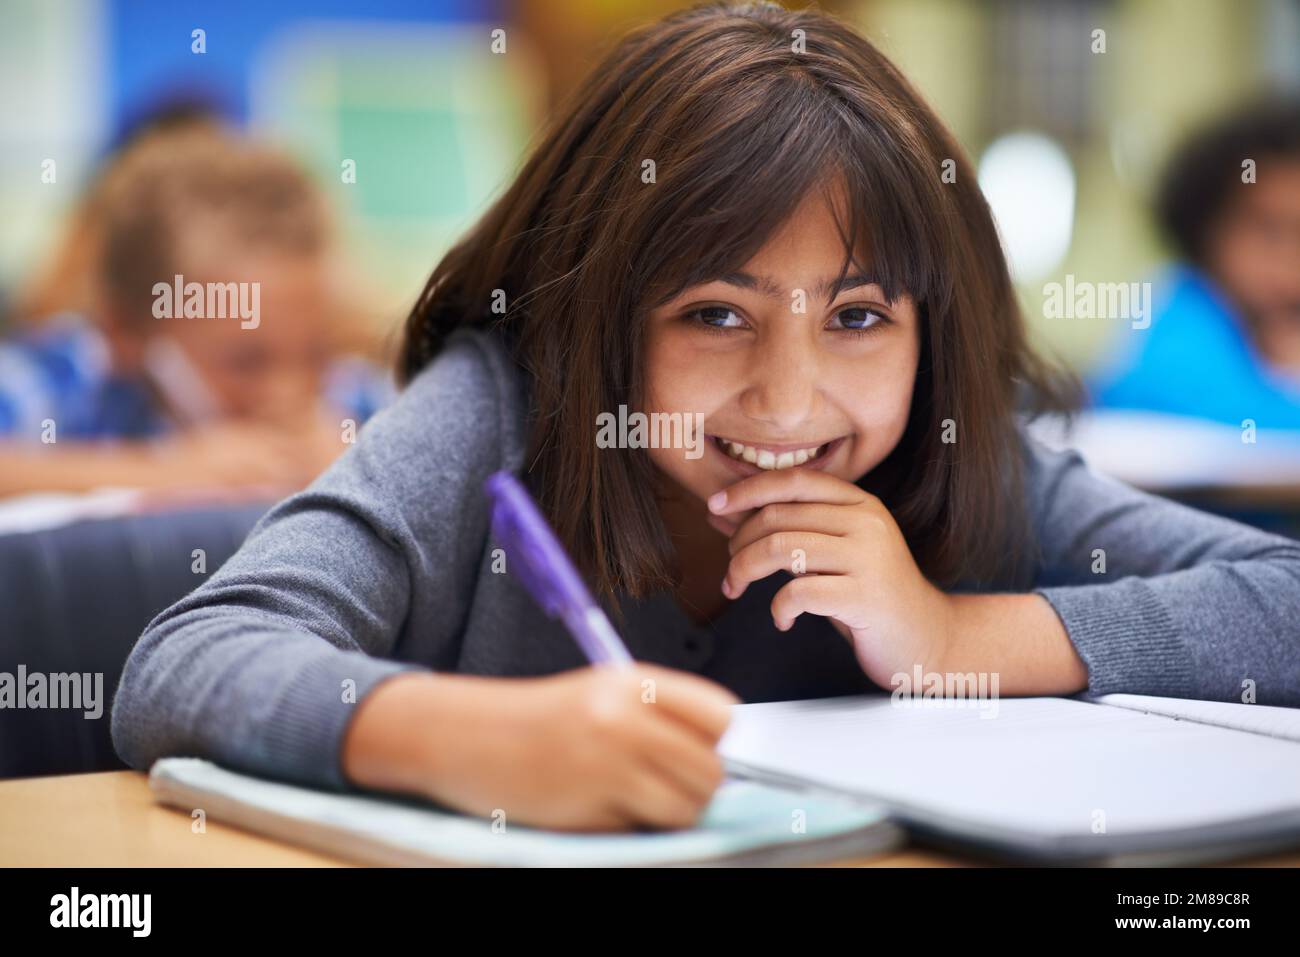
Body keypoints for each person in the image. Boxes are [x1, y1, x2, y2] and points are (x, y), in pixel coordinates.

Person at [112, 1, 1300, 833]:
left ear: (934, 331)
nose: (788, 401)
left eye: (857, 318)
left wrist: (952, 639)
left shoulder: (953, 449)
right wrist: (462, 740)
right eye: (715, 316)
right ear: (592, 316)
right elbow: (185, 663)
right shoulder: (495, 416)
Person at [0, 126, 391, 497]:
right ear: (124, 330)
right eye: (246, 362)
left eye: (317, 354)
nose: (289, 392)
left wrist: (359, 470)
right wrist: (164, 473)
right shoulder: (66, 377)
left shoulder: (347, 395)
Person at [1091, 99, 1300, 427]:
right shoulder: (1185, 305)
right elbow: (1176, 399)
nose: (1289, 260)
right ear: (1205, 230)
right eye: (1267, 231)